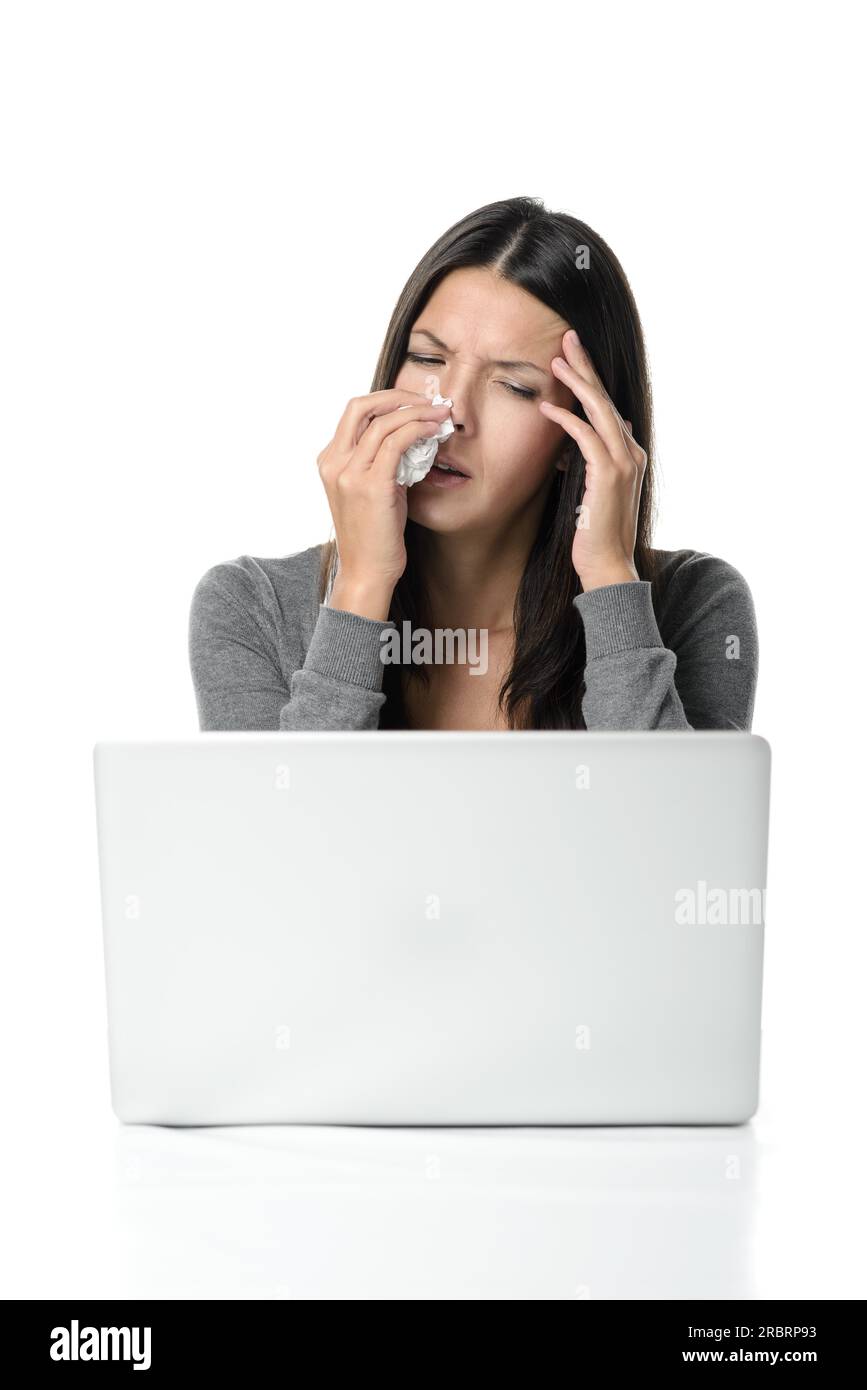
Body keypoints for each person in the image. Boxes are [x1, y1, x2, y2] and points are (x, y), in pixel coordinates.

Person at [189, 197, 757, 733]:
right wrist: (360, 587)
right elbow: (282, 831)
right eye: (427, 358)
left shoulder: (695, 605)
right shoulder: (252, 606)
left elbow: (677, 833)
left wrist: (610, 573)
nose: (451, 413)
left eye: (512, 385)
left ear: (579, 437)